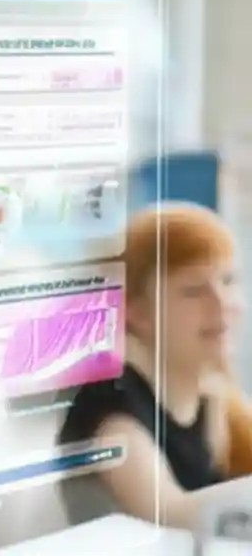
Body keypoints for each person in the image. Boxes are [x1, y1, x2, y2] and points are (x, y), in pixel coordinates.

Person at [59, 203, 252, 528]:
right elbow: (172, 516)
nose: (222, 304)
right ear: (135, 311)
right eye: (193, 291)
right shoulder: (110, 410)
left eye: (228, 280)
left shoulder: (211, 396)